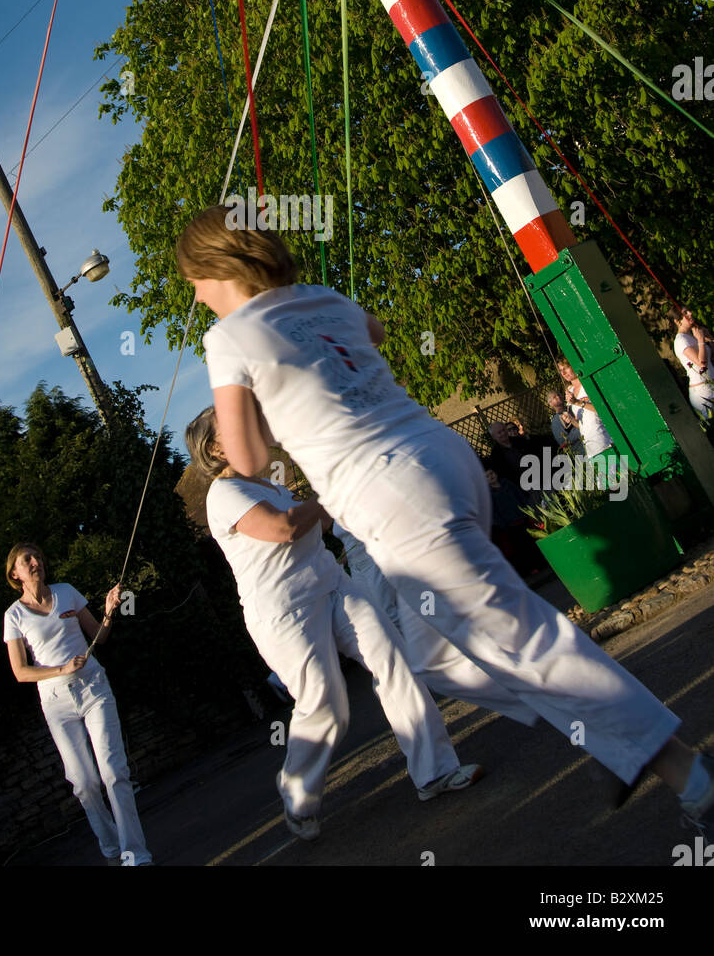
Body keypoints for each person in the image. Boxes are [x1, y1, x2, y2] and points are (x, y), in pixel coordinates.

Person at [176, 206, 714, 839]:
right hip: (441, 459)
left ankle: (687, 774)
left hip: (390, 492)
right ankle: (609, 738)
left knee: (525, 637)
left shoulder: (228, 338)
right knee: (434, 658)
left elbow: (247, 458)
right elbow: (371, 333)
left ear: (218, 269)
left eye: (194, 281)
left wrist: (266, 381)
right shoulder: (322, 298)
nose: (196, 294)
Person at [185, 408, 482, 838]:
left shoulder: (269, 482)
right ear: (216, 447)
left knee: (394, 659)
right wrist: (324, 499)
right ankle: (298, 789)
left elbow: (320, 523)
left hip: (333, 584)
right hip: (284, 613)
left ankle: (435, 772)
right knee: (326, 706)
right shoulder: (223, 495)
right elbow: (283, 528)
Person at [3, 543, 152, 866]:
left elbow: (100, 635)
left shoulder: (67, 592)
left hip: (94, 687)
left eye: (38, 556)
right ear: (15, 573)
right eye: (26, 559)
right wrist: (60, 669)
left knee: (114, 773)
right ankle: (112, 849)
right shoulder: (13, 616)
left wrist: (110, 609)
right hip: (56, 702)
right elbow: (20, 671)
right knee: (84, 784)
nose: (35, 561)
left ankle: (135, 855)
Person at [671, 305, 714, 431]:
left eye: (689, 310)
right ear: (677, 320)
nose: (690, 313)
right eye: (685, 313)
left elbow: (711, 359)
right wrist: (700, 340)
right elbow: (701, 363)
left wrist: (710, 339)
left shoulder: (692, 336)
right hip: (703, 391)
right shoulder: (681, 340)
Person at [546, 389, 584, 456]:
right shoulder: (556, 421)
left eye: (558, 394)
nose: (558, 397)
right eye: (554, 397)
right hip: (580, 451)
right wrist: (580, 429)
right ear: (551, 403)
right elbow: (563, 442)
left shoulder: (572, 407)